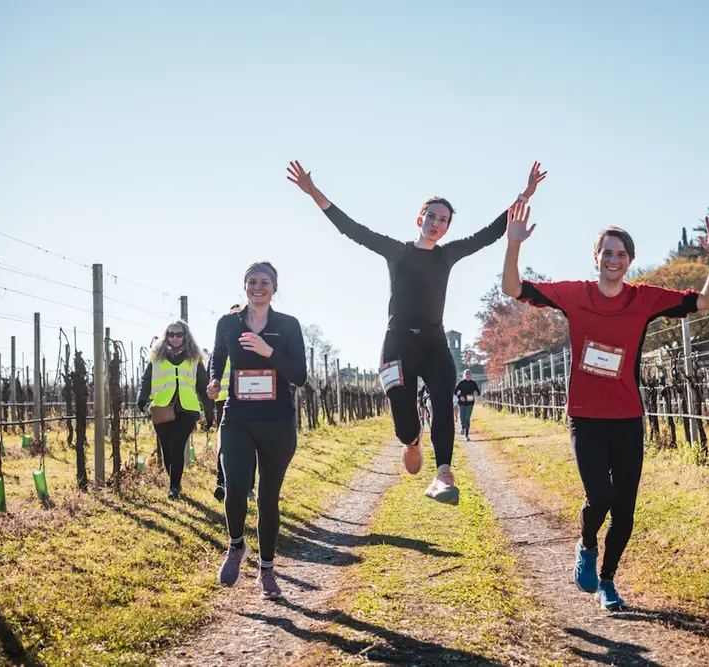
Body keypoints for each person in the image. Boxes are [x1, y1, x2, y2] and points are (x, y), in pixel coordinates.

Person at [502, 202, 709, 611]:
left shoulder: (644, 299)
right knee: (600, 497)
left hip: (627, 418)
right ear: (597, 257)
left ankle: (608, 581)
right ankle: (586, 544)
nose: (613, 259)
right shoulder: (576, 295)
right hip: (586, 418)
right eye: (607, 252)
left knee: (625, 510)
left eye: (621, 253)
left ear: (630, 261)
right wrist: (513, 245)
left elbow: (707, 302)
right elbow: (513, 288)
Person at [287, 159, 546, 505]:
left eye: (444, 220)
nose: (436, 223)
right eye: (432, 216)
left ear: (448, 227)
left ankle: (443, 474)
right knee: (404, 422)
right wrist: (313, 192)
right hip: (398, 345)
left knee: (442, 400)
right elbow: (351, 228)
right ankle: (412, 441)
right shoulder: (397, 251)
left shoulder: (447, 255)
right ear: (419, 218)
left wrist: (525, 193)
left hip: (434, 343)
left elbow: (491, 232)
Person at [208, 261, 307, 600]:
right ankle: (236, 546)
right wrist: (214, 380)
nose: (258, 287)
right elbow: (217, 357)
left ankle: (266, 571)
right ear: (245, 286)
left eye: (265, 282)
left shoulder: (288, 326)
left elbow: (299, 376)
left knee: (268, 499)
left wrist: (269, 352)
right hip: (237, 418)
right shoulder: (228, 322)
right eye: (252, 281)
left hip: (278, 422)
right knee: (235, 487)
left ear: (274, 288)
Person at [137, 320, 213, 500]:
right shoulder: (156, 357)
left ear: (185, 336)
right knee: (167, 450)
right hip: (162, 407)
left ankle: (173, 488)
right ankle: (175, 481)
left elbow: (203, 387)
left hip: (187, 409)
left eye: (179, 334)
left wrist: (209, 413)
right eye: (171, 334)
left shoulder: (195, 359)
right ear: (166, 336)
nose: (175, 338)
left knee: (177, 446)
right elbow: (146, 380)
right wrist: (142, 398)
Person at [212, 304, 242, 503]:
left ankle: (245, 484)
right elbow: (213, 370)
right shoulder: (222, 348)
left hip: (244, 400)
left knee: (247, 443)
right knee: (224, 442)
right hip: (223, 401)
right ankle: (221, 482)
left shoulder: (244, 347)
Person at [454, 369, 481, 441]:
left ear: (471, 375)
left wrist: (476, 393)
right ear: (464, 375)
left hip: (470, 403)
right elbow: (454, 391)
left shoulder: (473, 383)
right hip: (462, 403)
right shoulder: (461, 383)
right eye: (466, 374)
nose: (468, 375)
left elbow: (479, 393)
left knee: (467, 418)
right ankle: (463, 427)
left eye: (469, 374)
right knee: (462, 418)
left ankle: (466, 435)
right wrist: (460, 397)